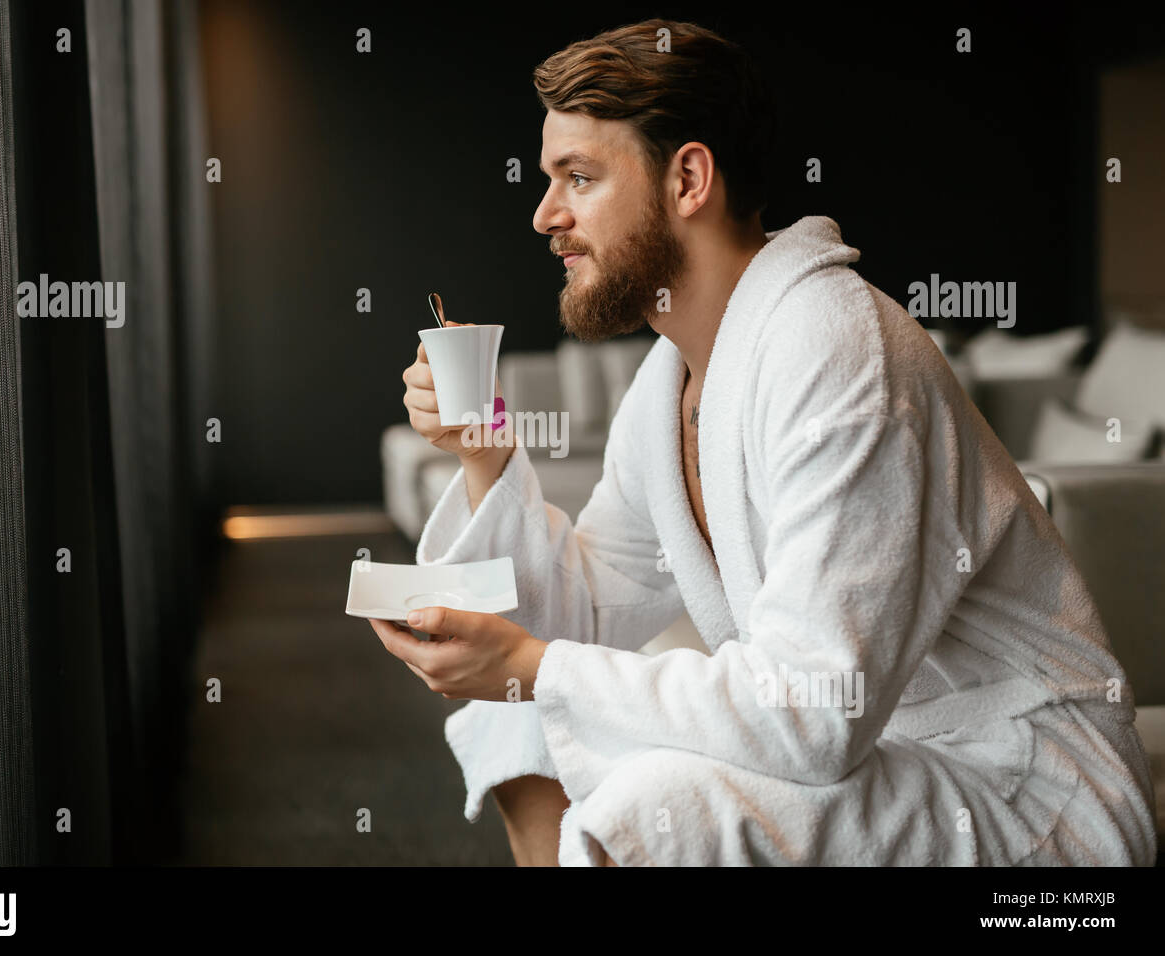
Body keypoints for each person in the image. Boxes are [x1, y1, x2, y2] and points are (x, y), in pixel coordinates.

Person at [369, 19, 1157, 866]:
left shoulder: (836, 347)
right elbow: (588, 611)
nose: (544, 215)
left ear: (688, 179)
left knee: (659, 802)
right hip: (873, 745)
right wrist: (485, 452)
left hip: (1022, 780)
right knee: (517, 710)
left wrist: (537, 663)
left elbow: (816, 711)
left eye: (580, 177)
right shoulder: (669, 380)